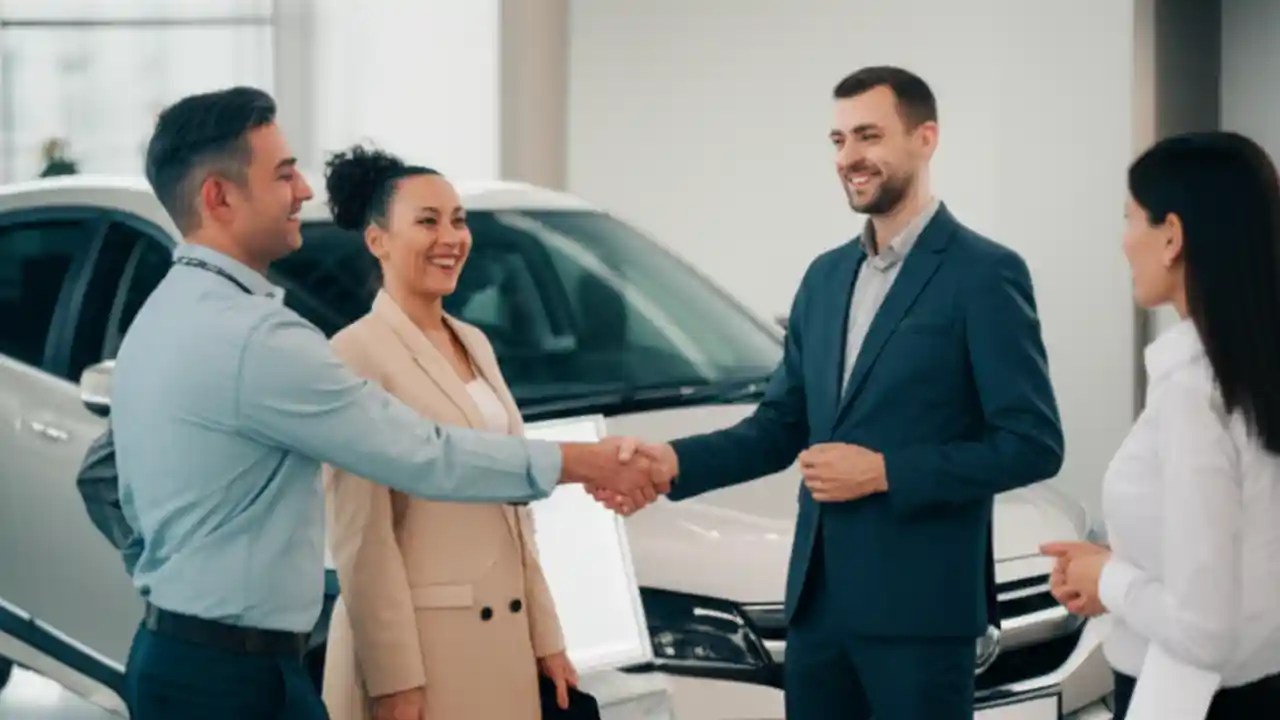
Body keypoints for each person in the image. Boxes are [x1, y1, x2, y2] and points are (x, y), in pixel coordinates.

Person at [111, 87, 663, 720]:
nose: (304, 192)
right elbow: (420, 456)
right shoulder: (261, 340)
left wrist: (172, 575)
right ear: (219, 196)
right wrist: (584, 462)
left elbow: (104, 472)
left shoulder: (160, 316)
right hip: (238, 677)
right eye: (284, 174)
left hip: (181, 652)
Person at [604, 66, 1064, 719]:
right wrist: (672, 462)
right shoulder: (824, 279)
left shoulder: (984, 275)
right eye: (838, 139)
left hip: (922, 619)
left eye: (868, 136)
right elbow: (780, 426)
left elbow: (1032, 444)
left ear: (925, 138)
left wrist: (884, 472)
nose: (849, 157)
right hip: (817, 615)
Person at [317, 146, 584, 720]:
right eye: (428, 221)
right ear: (377, 241)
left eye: (459, 220)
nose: (452, 237)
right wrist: (394, 682)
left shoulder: (474, 342)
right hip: (425, 653)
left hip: (504, 641)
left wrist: (547, 638)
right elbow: (362, 539)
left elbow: (514, 515)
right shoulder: (353, 353)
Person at [1041, 131, 1280, 719]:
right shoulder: (1254, 373)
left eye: (1130, 219)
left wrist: (1109, 580)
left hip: (1197, 701)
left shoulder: (1195, 391)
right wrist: (1119, 562)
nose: (1124, 243)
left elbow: (1205, 632)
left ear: (1171, 235)